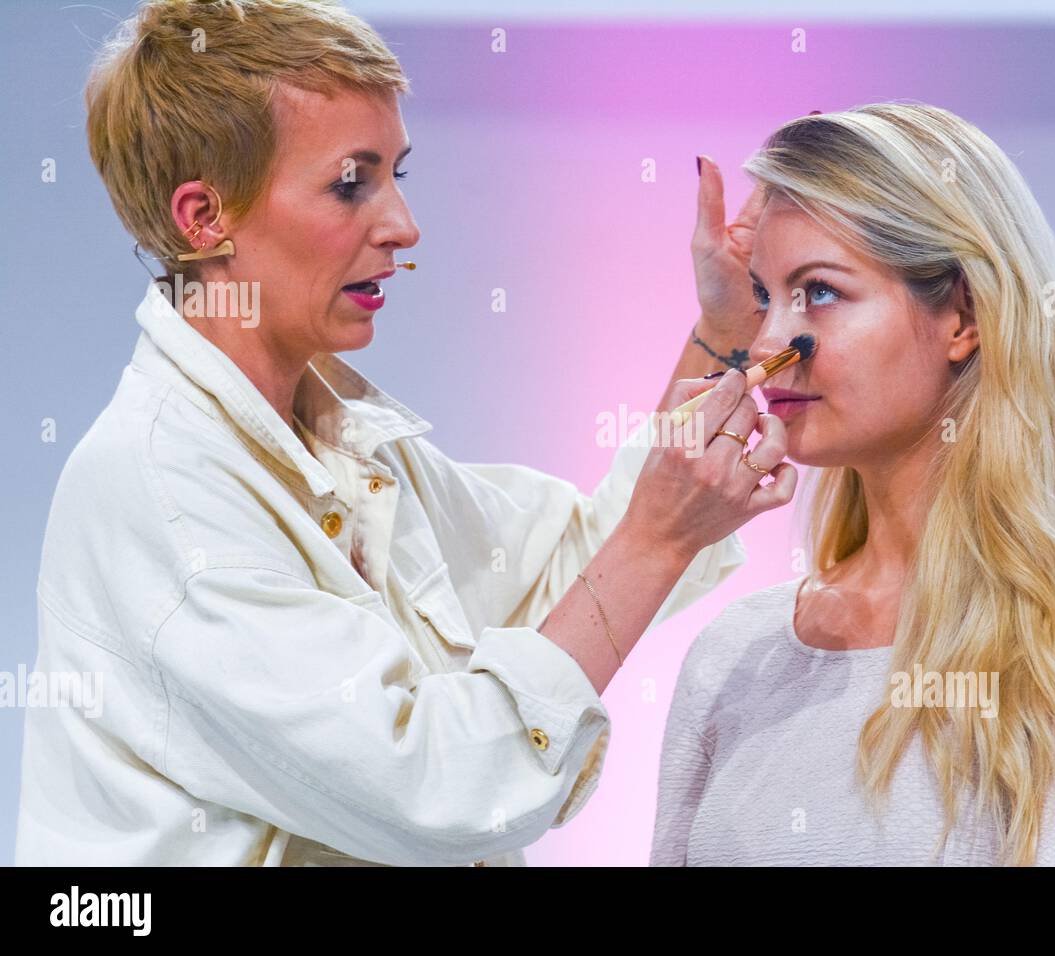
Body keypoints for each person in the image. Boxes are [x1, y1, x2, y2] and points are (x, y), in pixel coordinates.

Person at [15, 0, 796, 866]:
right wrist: (659, 535)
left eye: (397, 174)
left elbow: (575, 567)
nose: (403, 226)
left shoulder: (345, 444)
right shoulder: (162, 491)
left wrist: (724, 335)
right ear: (204, 217)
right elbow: (437, 790)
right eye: (352, 181)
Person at [651, 103, 1055, 866]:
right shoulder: (734, 654)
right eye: (763, 297)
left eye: (818, 291)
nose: (765, 344)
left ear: (962, 313)